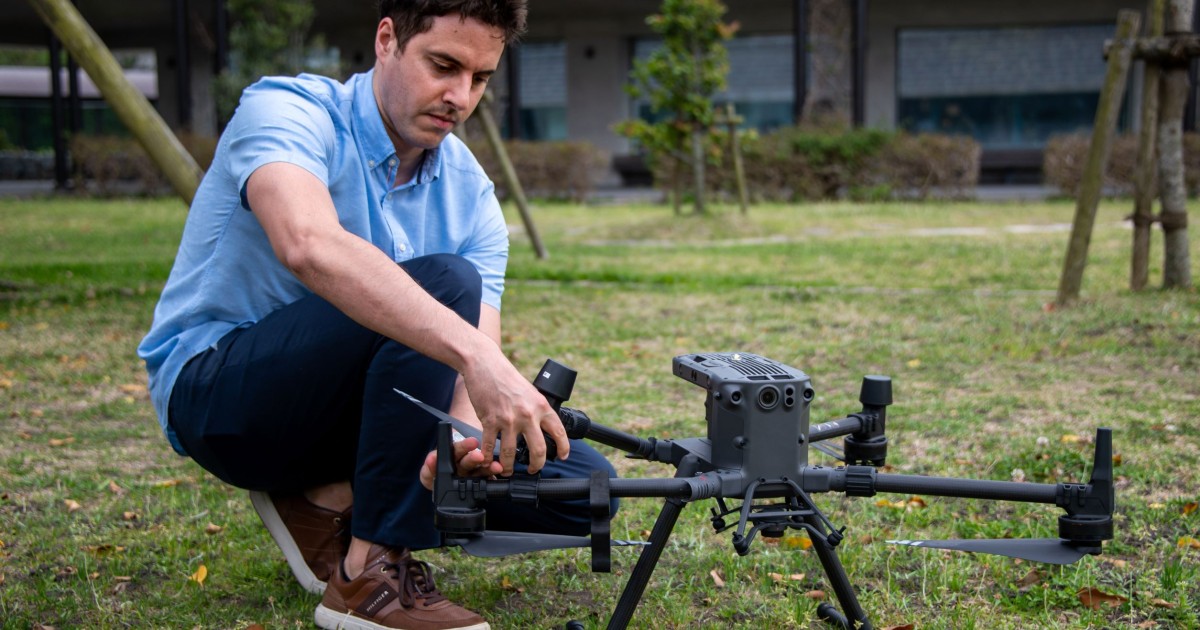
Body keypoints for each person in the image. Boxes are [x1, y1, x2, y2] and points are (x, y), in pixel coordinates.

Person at [136, 2, 617, 629]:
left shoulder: (470, 193)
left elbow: (469, 383)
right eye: (443, 65)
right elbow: (307, 244)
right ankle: (366, 577)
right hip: (221, 397)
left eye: (480, 78)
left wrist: (463, 442)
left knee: (583, 488)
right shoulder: (288, 111)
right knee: (444, 284)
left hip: (353, 418)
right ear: (387, 40)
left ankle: (328, 498)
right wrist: (476, 358)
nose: (459, 96)